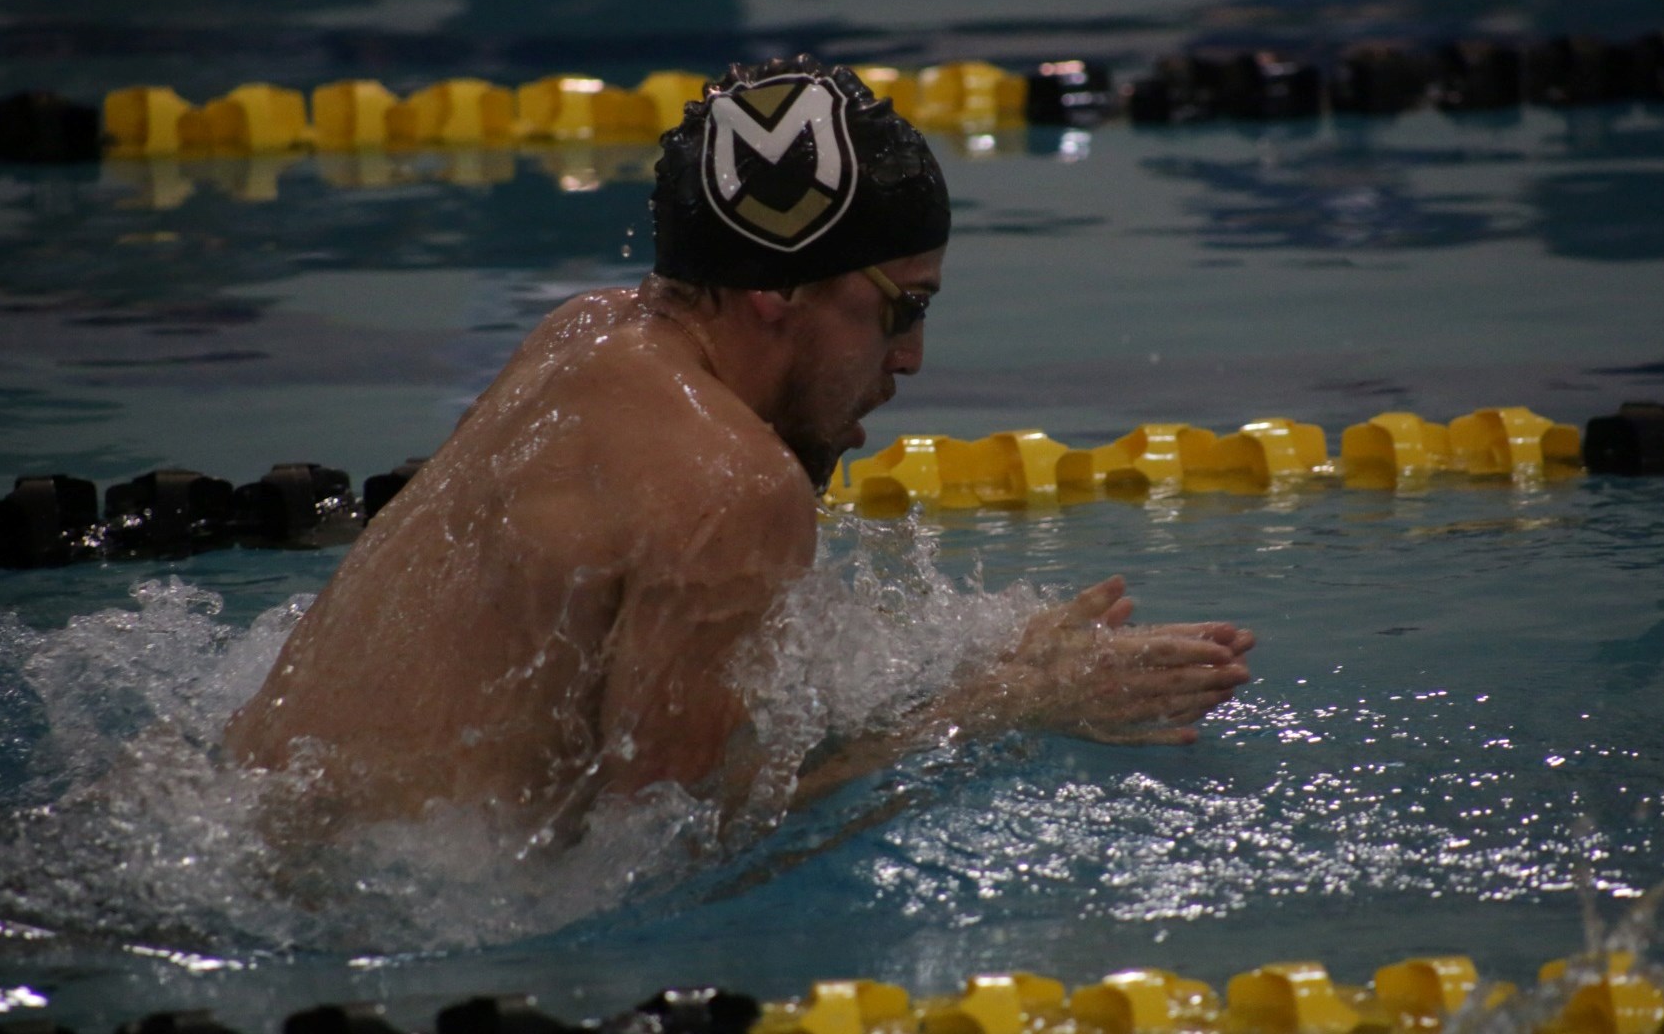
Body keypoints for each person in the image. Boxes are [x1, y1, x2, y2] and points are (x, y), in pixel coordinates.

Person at [222, 56, 1254, 849]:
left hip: (238, 823)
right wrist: (999, 711)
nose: (912, 357)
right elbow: (668, 850)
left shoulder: (580, 338)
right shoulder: (733, 485)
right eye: (903, 305)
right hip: (356, 923)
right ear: (780, 289)